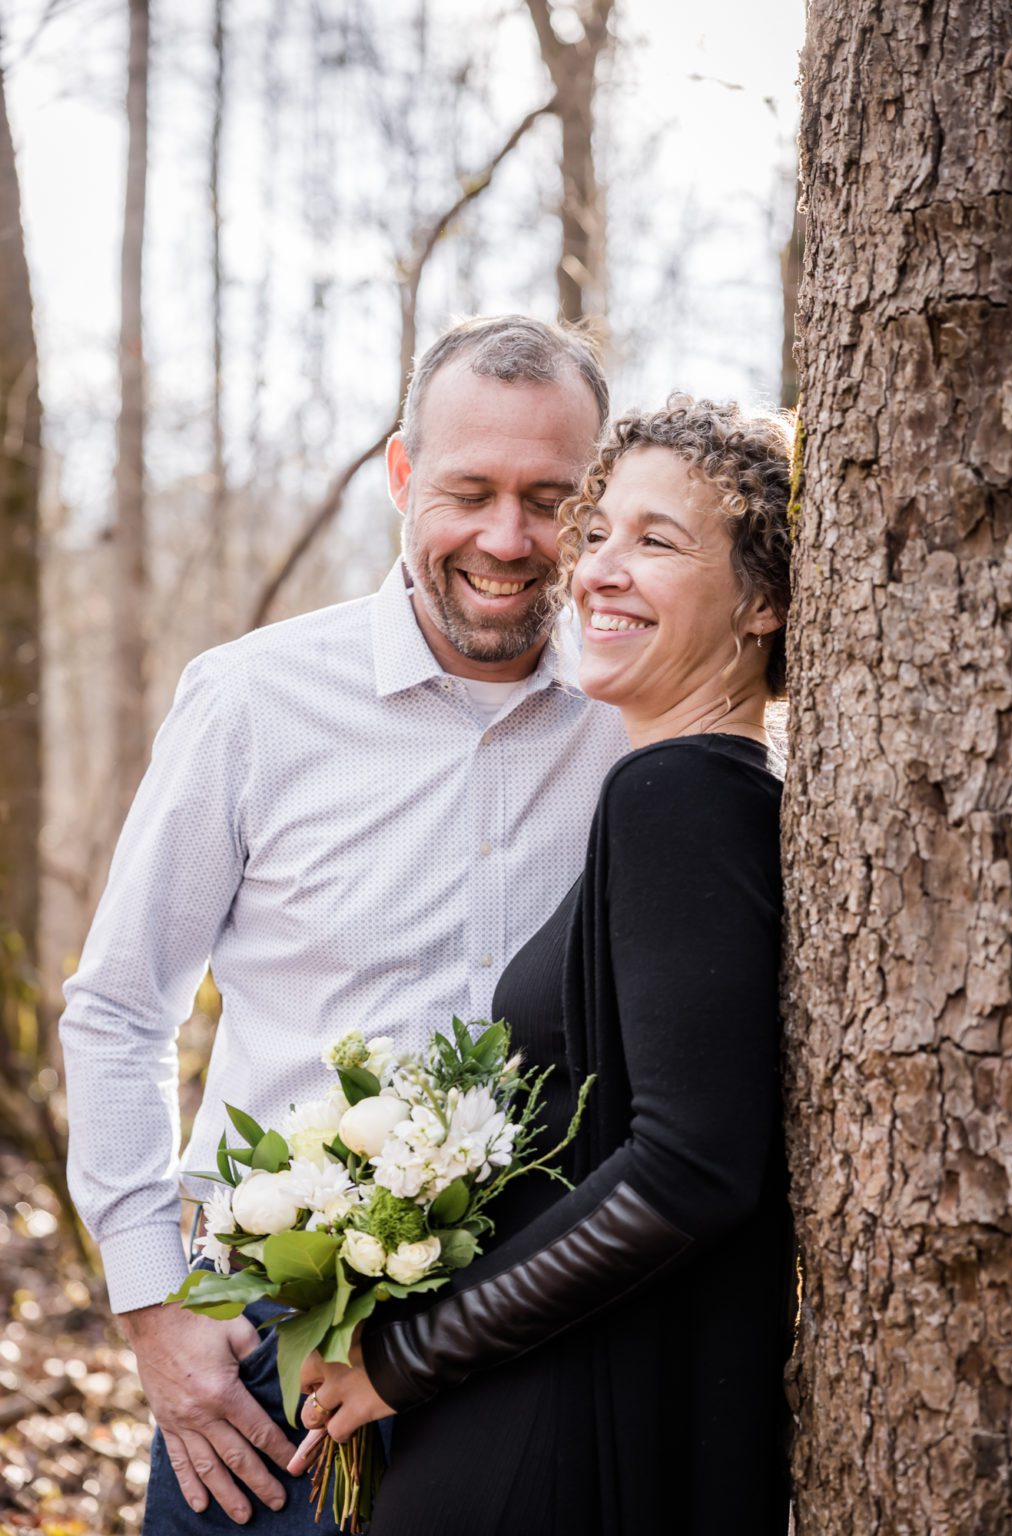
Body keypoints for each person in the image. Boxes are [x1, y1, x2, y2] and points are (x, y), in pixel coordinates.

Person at [59, 314, 629, 1533]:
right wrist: (157, 1309)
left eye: (551, 497)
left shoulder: (642, 722)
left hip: (542, 1335)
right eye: (468, 491)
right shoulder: (253, 699)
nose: (507, 538)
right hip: (268, 1346)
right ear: (400, 476)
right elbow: (117, 1009)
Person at [295, 395, 797, 1534]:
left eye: (657, 542)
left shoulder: (676, 796)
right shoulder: (696, 800)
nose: (599, 572)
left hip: (566, 1433)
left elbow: (687, 1168)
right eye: (601, 532)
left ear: (762, 601)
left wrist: (407, 1357)